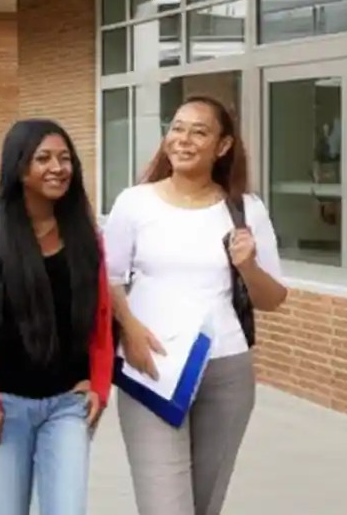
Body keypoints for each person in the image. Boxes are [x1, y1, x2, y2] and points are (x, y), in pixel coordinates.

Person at [104, 95, 287, 515]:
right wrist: (130, 330)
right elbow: (109, 278)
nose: (183, 140)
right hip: (152, 362)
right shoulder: (135, 201)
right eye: (177, 128)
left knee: (204, 506)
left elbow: (272, 298)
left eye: (199, 131)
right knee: (165, 505)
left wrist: (249, 266)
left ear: (222, 146)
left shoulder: (245, 209)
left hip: (225, 369)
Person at [0, 118, 114, 515]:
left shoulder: (84, 233)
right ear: (19, 167)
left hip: (67, 405)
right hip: (4, 406)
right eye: (43, 158)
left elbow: (99, 317)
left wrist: (100, 384)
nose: (57, 167)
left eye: (64, 158)